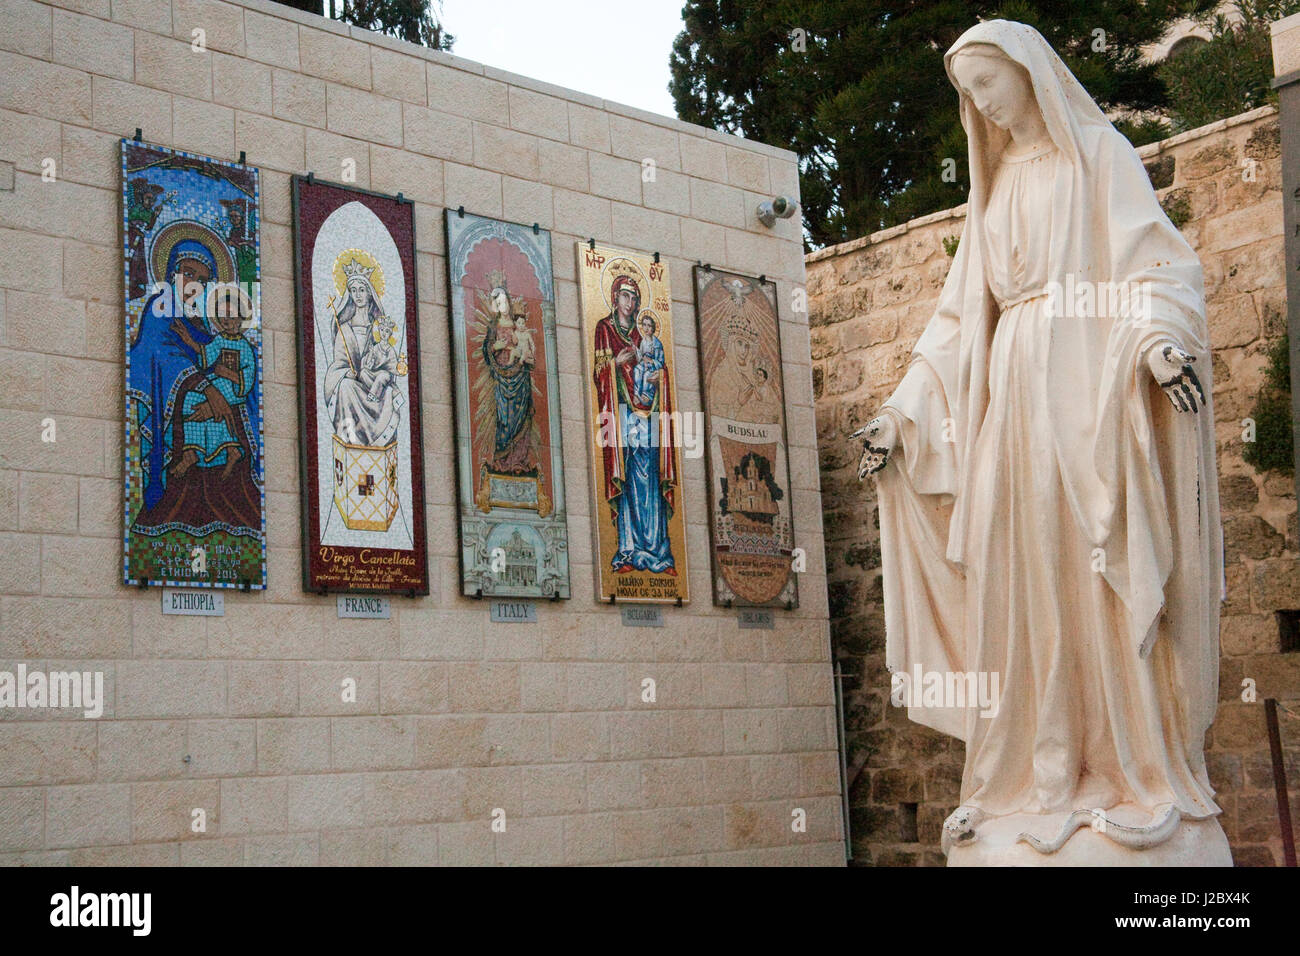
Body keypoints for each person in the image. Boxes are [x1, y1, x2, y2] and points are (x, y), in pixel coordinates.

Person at [852, 21, 1223, 855]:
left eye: (989, 81)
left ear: (1027, 72)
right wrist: (903, 414)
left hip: (1090, 380)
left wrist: (1160, 341)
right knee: (1017, 571)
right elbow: (953, 326)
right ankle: (1039, 767)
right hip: (1012, 390)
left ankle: (1132, 767)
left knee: (1093, 566)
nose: (980, 102)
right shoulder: (994, 190)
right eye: (968, 92)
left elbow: (1158, 266)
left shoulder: (1102, 156)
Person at [592, 270, 677, 575]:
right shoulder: (605, 329)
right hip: (623, 414)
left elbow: (663, 370)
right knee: (627, 477)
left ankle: (658, 551)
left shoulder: (645, 334)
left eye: (634, 297)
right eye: (624, 296)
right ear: (615, 298)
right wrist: (617, 363)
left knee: (651, 478)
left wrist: (661, 378)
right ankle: (628, 550)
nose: (629, 302)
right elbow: (598, 373)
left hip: (648, 415)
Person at [324, 258, 399, 447]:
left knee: (386, 387)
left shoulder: (379, 328)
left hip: (375, 384)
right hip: (354, 384)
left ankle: (377, 439)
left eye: (362, 289)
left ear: (369, 293)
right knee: (346, 386)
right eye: (354, 290)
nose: (358, 295)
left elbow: (388, 358)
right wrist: (345, 372)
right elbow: (338, 364)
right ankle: (353, 440)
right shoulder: (344, 329)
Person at [632, 312, 663, 407]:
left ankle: (647, 396)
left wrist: (652, 361)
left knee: (646, 375)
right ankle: (637, 394)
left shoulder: (657, 344)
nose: (646, 328)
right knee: (637, 370)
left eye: (649, 325)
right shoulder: (643, 341)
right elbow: (641, 356)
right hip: (643, 364)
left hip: (652, 367)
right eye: (644, 325)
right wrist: (635, 350)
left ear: (653, 327)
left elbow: (660, 362)